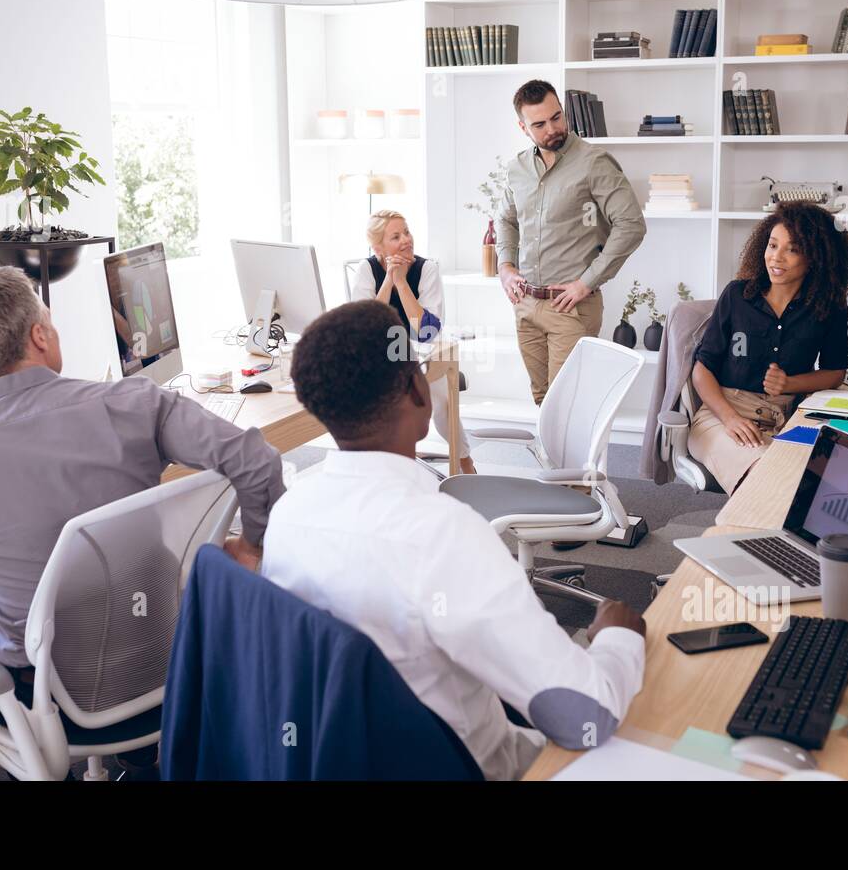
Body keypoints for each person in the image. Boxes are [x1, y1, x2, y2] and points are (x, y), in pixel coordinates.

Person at [258, 300, 647, 780]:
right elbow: (587, 715)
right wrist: (617, 638)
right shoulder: (446, 533)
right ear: (417, 391)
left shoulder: (288, 515)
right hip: (472, 766)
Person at [0, 267, 285, 679]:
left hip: (50, 686)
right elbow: (258, 460)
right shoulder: (138, 404)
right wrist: (253, 548)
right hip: (164, 652)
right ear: (39, 336)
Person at [689, 203, 848, 495]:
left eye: (792, 249)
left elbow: (835, 372)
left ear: (815, 258)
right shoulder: (737, 296)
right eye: (772, 245)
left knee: (831, 473)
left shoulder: (829, 307)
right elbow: (702, 368)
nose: (776, 257)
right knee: (766, 475)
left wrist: (790, 383)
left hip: (790, 415)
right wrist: (730, 418)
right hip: (723, 414)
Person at [496, 79, 646, 405]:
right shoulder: (517, 169)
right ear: (523, 127)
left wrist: (586, 283)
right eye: (540, 124)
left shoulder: (593, 163)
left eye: (556, 117)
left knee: (565, 405)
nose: (553, 128)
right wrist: (506, 267)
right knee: (543, 400)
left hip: (571, 307)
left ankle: (578, 458)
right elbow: (506, 220)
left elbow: (631, 225)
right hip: (526, 304)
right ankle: (557, 458)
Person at [349, 209, 476, 474]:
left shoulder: (426, 268)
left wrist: (402, 284)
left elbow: (426, 332)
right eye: (395, 237)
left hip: (424, 351)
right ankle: (383, 463)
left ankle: (464, 460)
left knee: (441, 400)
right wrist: (388, 282)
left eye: (406, 232)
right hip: (381, 354)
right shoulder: (367, 269)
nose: (406, 240)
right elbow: (365, 326)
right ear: (378, 248)